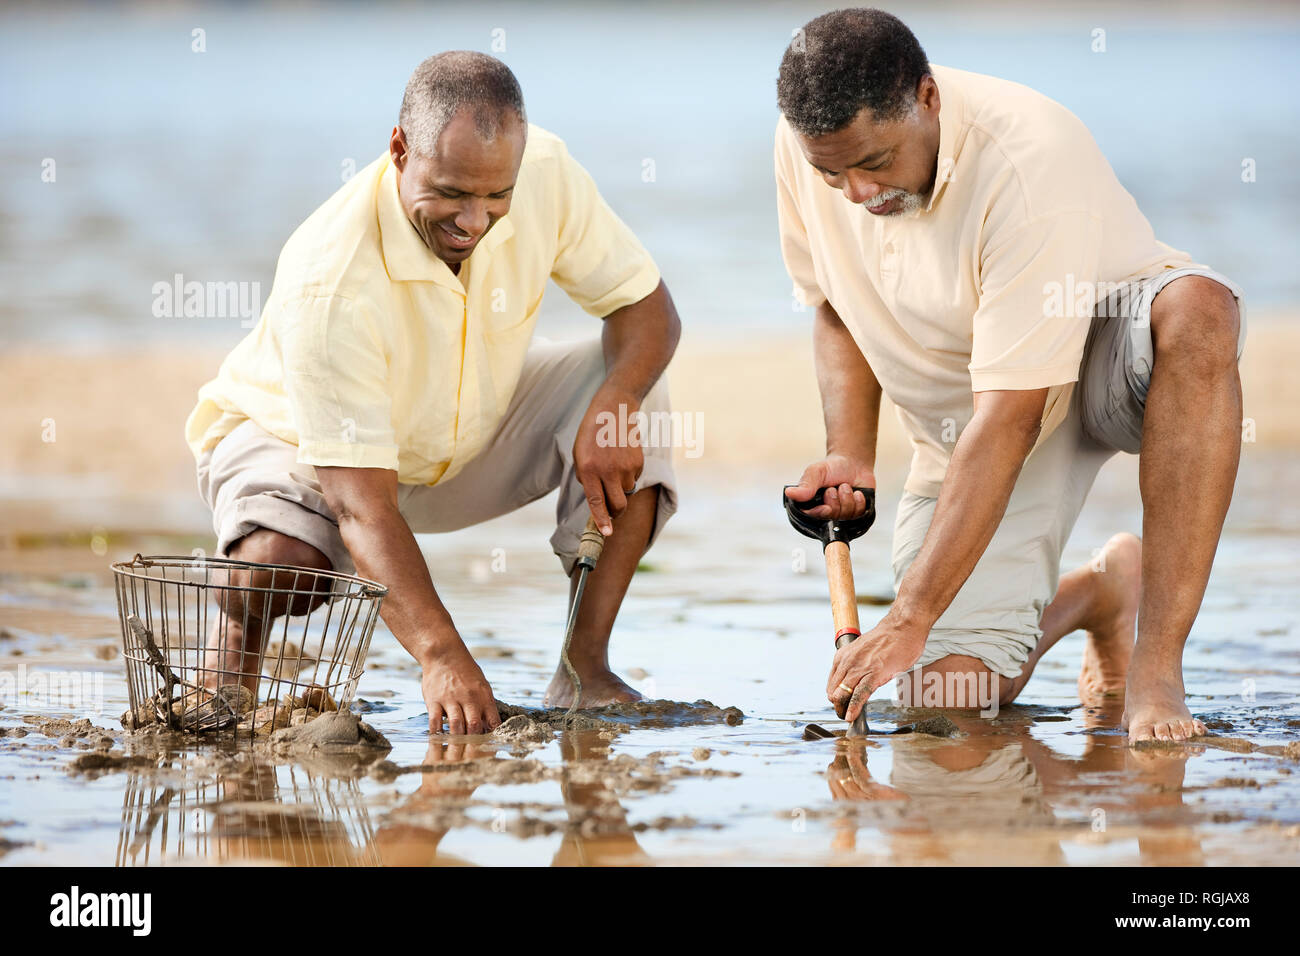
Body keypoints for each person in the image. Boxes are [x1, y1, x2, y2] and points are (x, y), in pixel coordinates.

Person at [776, 9, 1245, 742]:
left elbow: (1013, 417)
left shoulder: (1029, 159)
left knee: (1201, 310)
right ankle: (1100, 592)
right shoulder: (809, 146)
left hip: (1099, 366)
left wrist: (910, 615)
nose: (858, 193)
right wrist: (851, 454)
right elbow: (834, 305)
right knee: (947, 697)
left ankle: (1157, 671)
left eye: (875, 162)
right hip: (966, 426)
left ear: (927, 99)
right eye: (831, 173)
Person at [185, 51, 681, 734]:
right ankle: (234, 646)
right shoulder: (328, 276)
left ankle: (582, 668)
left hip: (466, 429)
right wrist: (441, 656)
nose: (473, 221)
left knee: (636, 401)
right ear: (399, 149)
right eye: (450, 193)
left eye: (495, 197)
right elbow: (359, 506)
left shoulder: (546, 171)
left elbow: (646, 309)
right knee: (281, 566)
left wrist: (616, 403)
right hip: (301, 446)